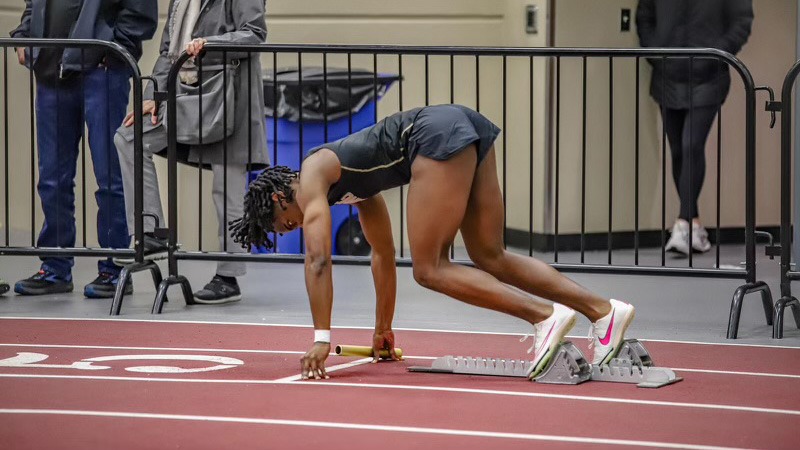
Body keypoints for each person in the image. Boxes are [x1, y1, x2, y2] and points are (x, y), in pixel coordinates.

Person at [230, 104, 636, 380]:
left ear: (281, 198)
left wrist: (321, 338)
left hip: (434, 137)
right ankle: (603, 312)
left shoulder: (315, 171)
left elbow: (318, 261)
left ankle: (545, 317)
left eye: (286, 224)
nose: (295, 227)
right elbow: (383, 253)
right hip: (462, 125)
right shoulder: (349, 187)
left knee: (429, 269)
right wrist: (382, 330)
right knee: (489, 255)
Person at [114, 0, 269, 304]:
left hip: (230, 97)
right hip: (184, 94)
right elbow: (167, 51)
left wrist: (211, 44)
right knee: (129, 137)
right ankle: (150, 233)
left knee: (228, 187)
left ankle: (229, 276)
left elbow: (254, 34)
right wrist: (152, 95)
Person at [10, 0, 158, 297]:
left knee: (110, 177)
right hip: (52, 70)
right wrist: (23, 35)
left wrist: (112, 50)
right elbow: (33, 5)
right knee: (52, 178)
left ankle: (114, 268)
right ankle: (55, 266)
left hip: (102, 72)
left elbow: (141, 13)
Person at [636, 0, 753, 255]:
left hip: (708, 76)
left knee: (692, 144)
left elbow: (742, 22)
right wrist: (657, 55)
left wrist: (715, 54)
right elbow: (644, 17)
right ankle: (694, 224)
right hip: (667, 75)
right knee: (678, 150)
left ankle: (683, 223)